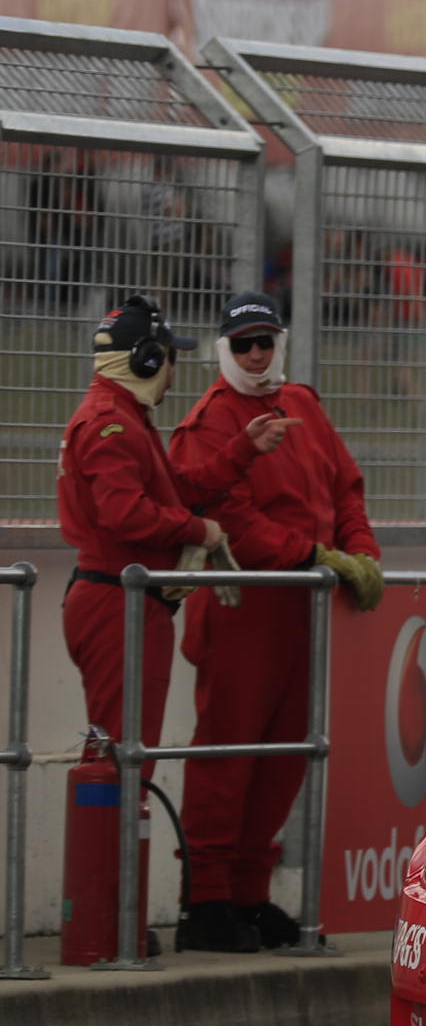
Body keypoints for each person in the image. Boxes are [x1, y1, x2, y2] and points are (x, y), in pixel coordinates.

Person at [55, 297, 291, 952]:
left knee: (126, 756)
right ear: (144, 358)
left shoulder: (124, 420)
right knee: (122, 758)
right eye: (166, 358)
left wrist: (241, 451)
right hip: (117, 604)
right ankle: (107, 926)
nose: (173, 373)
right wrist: (202, 531)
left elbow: (174, 486)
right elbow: (127, 515)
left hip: (124, 603)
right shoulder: (109, 424)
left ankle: (113, 919)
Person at [169, 292, 380, 953]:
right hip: (246, 605)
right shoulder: (210, 422)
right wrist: (321, 557)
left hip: (303, 603)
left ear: (279, 342)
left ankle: (249, 894)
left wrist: (361, 552)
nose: (255, 353)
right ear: (223, 349)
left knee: (285, 755)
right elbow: (232, 517)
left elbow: (346, 486)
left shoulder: (305, 406)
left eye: (264, 340)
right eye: (242, 344)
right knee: (228, 754)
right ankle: (206, 902)